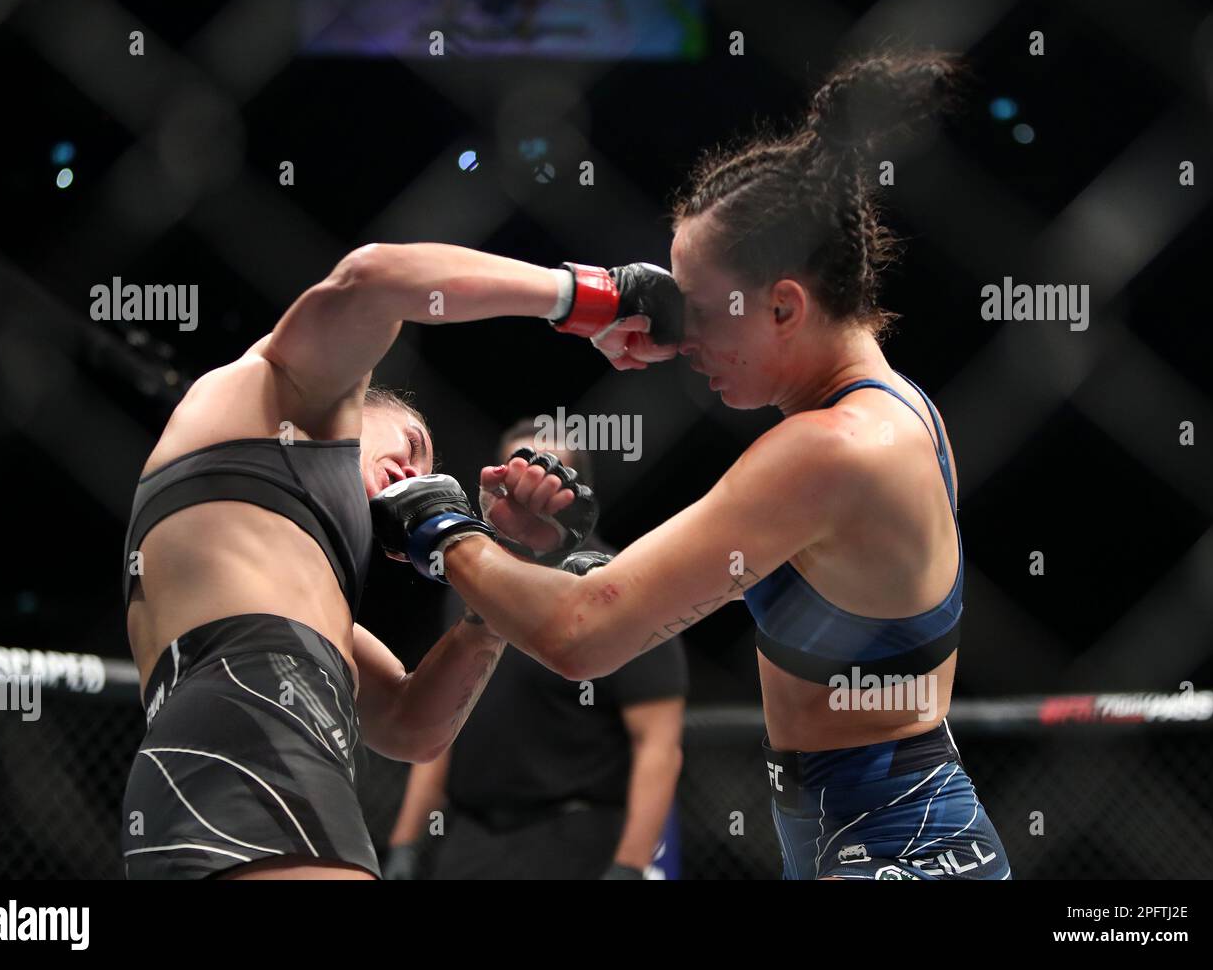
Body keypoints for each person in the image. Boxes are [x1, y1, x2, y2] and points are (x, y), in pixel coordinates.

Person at [370, 52, 1012, 880]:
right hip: (873, 827)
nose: (686, 342)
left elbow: (581, 636)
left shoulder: (827, 451)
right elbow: (661, 588)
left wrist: (436, 523)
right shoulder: (895, 411)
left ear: (784, 305)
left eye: (700, 312)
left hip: (896, 846)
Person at [118, 242, 640, 879]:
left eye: (425, 474)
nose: (413, 477)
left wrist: (497, 573)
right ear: (353, 401)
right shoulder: (272, 392)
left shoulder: (288, 585)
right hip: (252, 751)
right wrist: (595, 297)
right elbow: (374, 278)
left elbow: (409, 726)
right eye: (413, 445)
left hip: (210, 770)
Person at [382, 425, 686, 880]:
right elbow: (441, 723)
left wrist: (629, 865)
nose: (525, 493)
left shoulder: (618, 586)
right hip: (472, 838)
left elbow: (658, 745)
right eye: (514, 477)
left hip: (574, 840)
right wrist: (405, 843)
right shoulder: (469, 582)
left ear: (577, 493)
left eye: (545, 476)